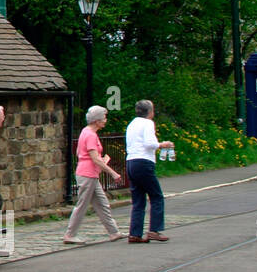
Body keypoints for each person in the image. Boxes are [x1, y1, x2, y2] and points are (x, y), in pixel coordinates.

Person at [62, 106, 125, 243]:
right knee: (83, 204)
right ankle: (70, 234)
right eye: (104, 118)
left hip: (90, 174)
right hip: (87, 174)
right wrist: (113, 173)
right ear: (97, 120)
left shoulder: (86, 132)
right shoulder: (90, 135)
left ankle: (113, 232)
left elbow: (82, 154)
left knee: (102, 203)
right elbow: (94, 158)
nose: (105, 120)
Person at [125, 99, 175, 243]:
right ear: (150, 112)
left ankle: (135, 233)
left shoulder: (132, 124)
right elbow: (149, 143)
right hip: (144, 161)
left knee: (138, 200)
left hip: (131, 162)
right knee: (156, 196)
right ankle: (154, 230)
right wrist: (162, 144)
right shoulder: (148, 123)